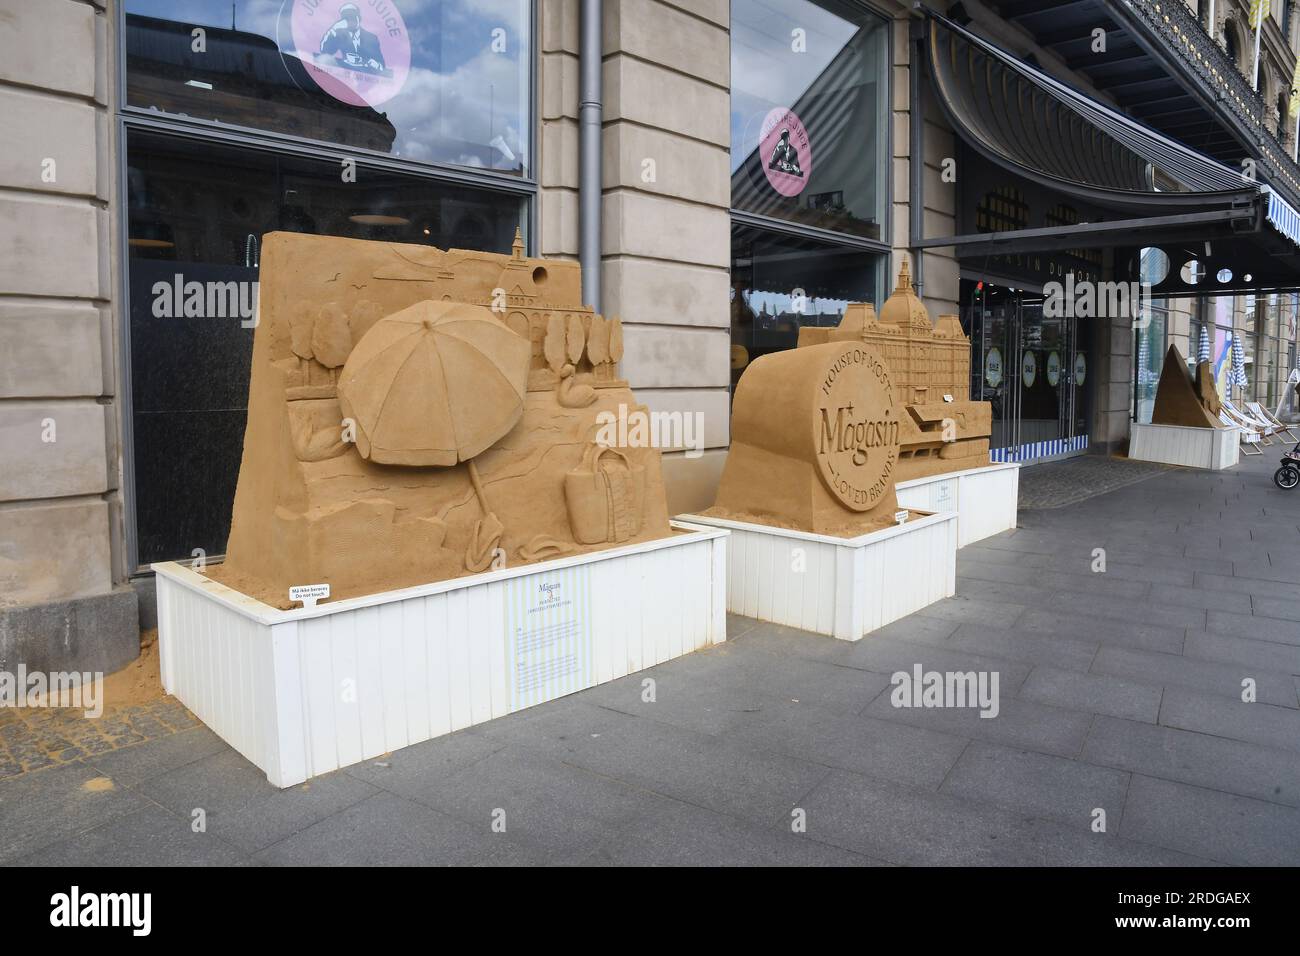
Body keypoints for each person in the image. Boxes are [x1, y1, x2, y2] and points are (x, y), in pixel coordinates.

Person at [320, 3, 387, 75]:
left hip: (366, 77)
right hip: (346, 75)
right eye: (347, 18)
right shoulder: (340, 36)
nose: (350, 21)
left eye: (352, 17)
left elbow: (381, 65)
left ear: (359, 18)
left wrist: (375, 64)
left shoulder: (371, 38)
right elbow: (325, 52)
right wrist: (333, 29)